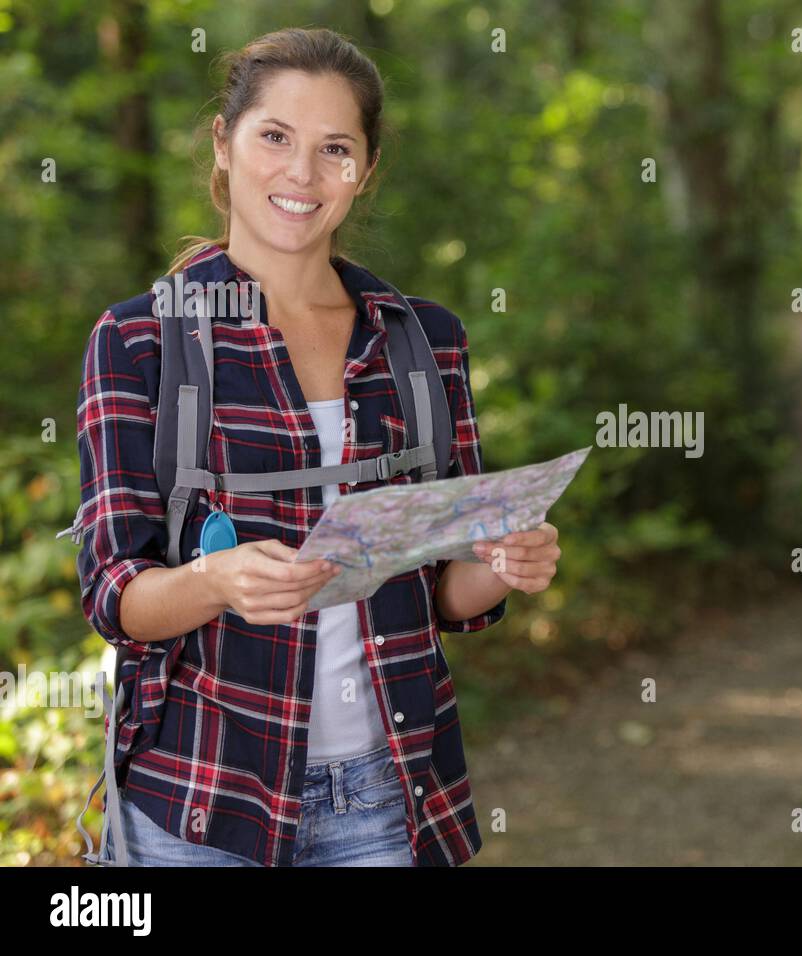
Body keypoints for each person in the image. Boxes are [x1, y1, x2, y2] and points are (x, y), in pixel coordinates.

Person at [76, 27, 562, 866]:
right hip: (197, 802)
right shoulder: (140, 340)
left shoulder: (423, 341)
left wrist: (504, 560)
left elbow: (450, 590)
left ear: (364, 170)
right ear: (223, 144)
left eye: (335, 148)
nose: (301, 174)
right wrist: (212, 581)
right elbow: (115, 596)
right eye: (275, 137)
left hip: (387, 798)